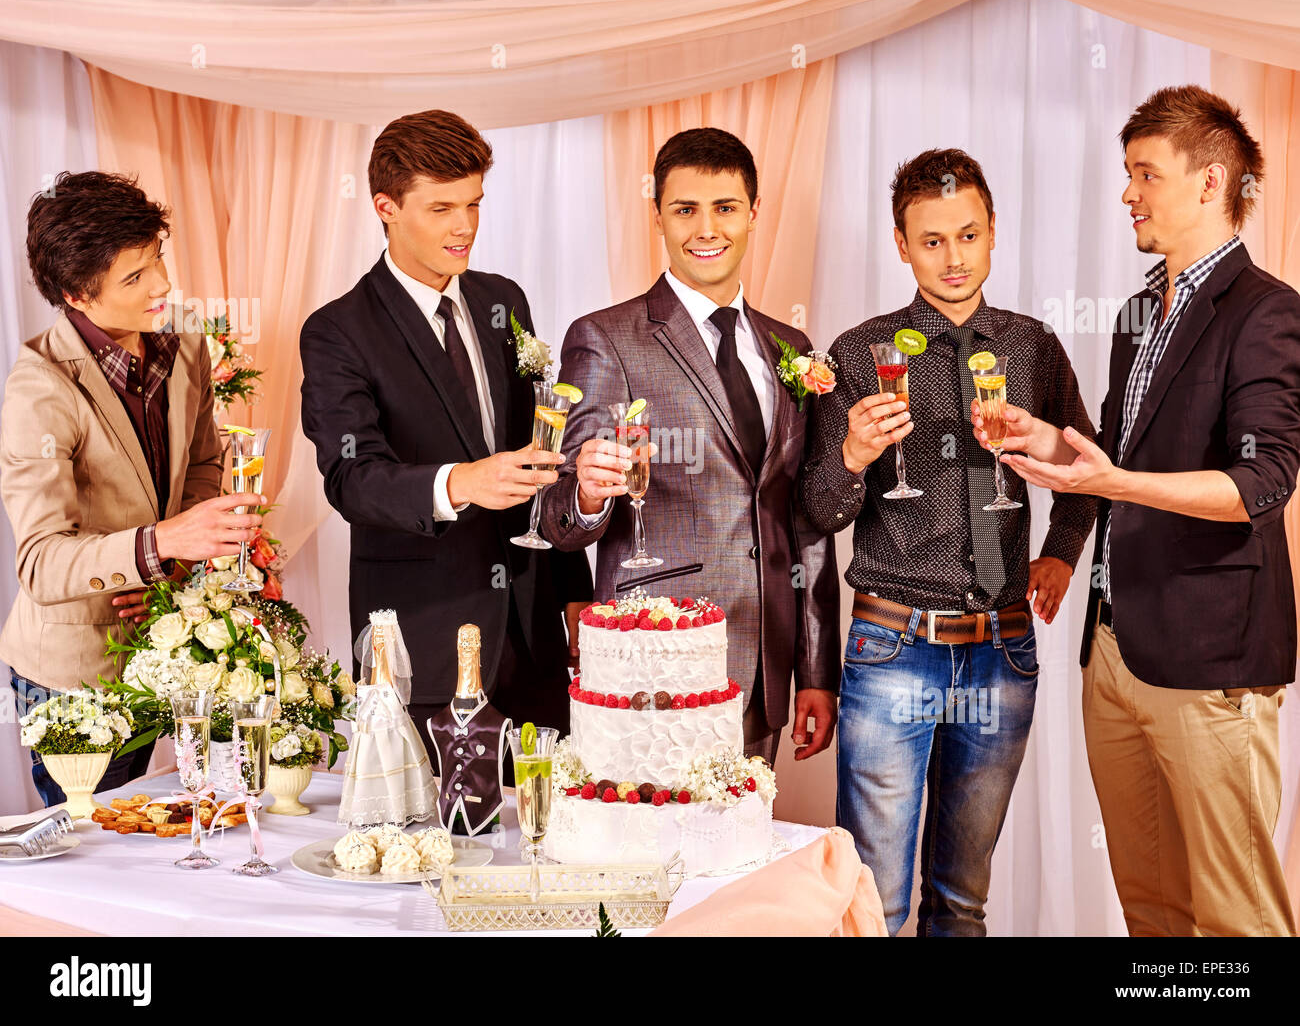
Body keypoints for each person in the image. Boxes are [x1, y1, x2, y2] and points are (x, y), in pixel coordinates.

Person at [975, 86, 1299, 936]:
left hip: (1210, 661)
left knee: (1236, 919)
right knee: (1150, 910)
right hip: (1113, 650)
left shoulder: (1268, 312)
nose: (1128, 194)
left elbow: (1261, 485)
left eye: (1145, 174)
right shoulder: (1136, 315)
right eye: (1128, 174)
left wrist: (1109, 484)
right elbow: (1115, 450)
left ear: (1210, 182)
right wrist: (1044, 436)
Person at [802, 149, 1097, 936]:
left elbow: (1087, 466)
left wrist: (1062, 551)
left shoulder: (1032, 347)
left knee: (961, 905)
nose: (954, 256)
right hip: (892, 644)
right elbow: (820, 511)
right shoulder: (859, 355)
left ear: (994, 232)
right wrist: (854, 459)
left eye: (968, 235)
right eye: (932, 240)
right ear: (900, 245)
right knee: (874, 906)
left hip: (1003, 649)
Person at [540, 127, 840, 763]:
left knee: (738, 853)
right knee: (648, 853)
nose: (707, 229)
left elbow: (805, 518)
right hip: (653, 664)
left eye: (725, 208)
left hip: (765, 666)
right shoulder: (605, 337)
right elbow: (555, 518)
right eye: (685, 210)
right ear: (658, 217)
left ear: (754, 214)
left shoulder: (791, 346)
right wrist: (589, 494)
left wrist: (816, 670)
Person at [299, 110, 592, 761]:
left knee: (543, 842)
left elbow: (538, 458)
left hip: (534, 639)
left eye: (474, 204)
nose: (465, 227)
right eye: (441, 208)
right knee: (439, 851)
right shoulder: (337, 331)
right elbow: (352, 480)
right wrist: (462, 482)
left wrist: (574, 594)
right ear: (386, 206)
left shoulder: (503, 301)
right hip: (424, 646)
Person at [1, 170, 258, 805]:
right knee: (99, 857)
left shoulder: (188, 345)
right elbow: (38, 562)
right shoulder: (39, 388)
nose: (164, 286)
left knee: (165, 828)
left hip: (155, 644)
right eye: (135, 277)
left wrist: (167, 573)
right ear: (76, 294)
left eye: (159, 261)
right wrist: (162, 542)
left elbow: (201, 465)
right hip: (72, 673)